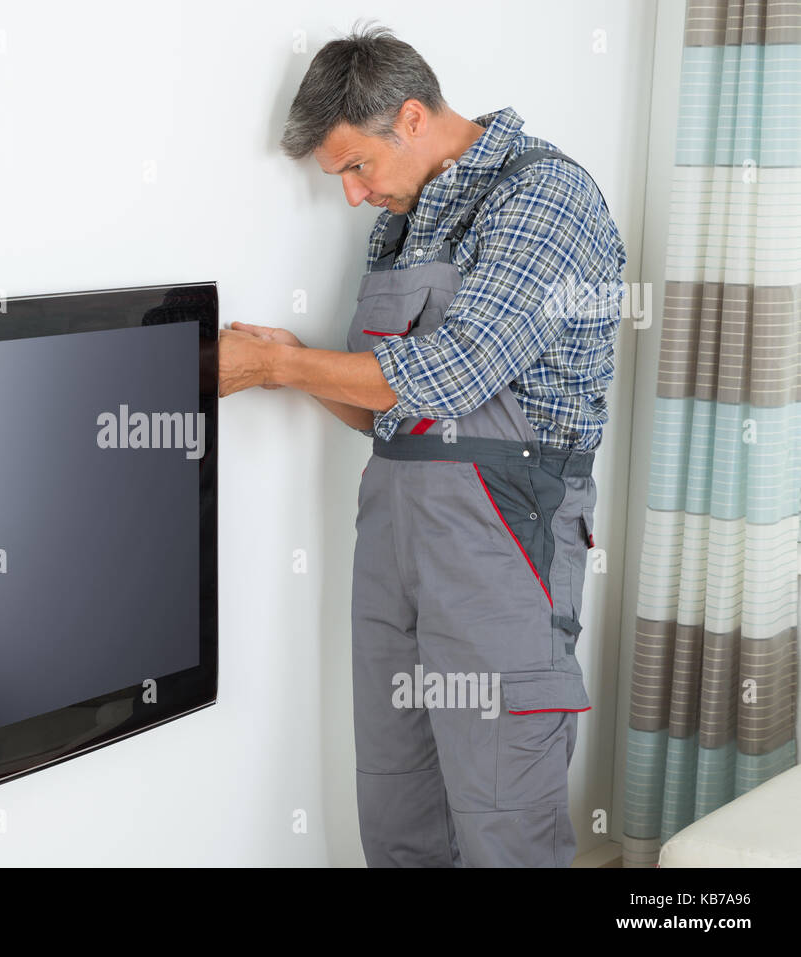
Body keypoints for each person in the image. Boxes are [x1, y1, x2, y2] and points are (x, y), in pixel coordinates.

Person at [218, 22, 626, 866]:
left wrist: (281, 364)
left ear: (410, 117)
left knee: (503, 812)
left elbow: (455, 370)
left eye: (356, 168)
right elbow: (388, 411)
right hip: (396, 543)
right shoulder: (403, 225)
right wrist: (288, 366)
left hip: (502, 548)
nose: (354, 197)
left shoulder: (543, 198)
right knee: (398, 803)